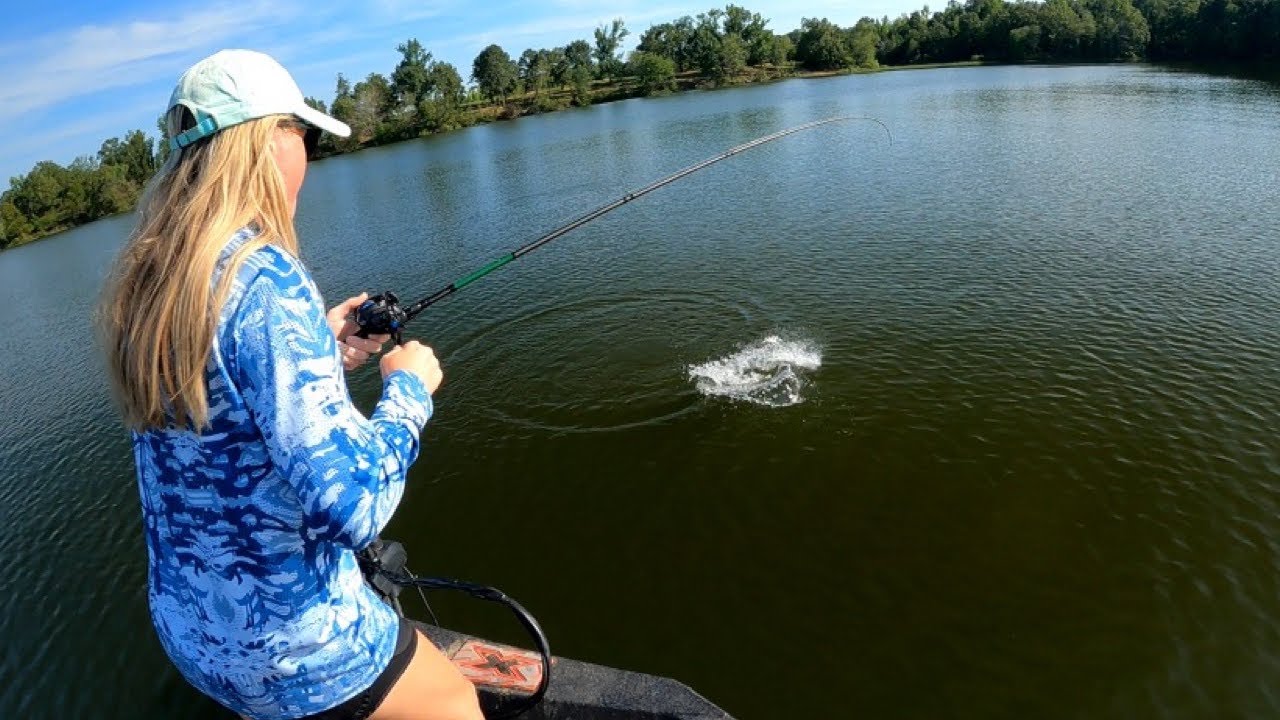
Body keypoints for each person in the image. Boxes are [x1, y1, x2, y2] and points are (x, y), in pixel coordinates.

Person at [97, 49, 483, 720]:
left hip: (193, 638)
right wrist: (408, 390)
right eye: (301, 136)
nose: (305, 156)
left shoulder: (149, 280)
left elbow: (216, 424)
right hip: (294, 652)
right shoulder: (266, 279)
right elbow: (351, 506)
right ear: (267, 140)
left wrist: (319, 357)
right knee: (455, 699)